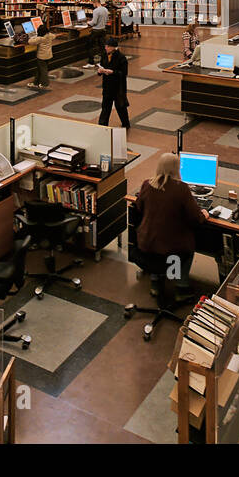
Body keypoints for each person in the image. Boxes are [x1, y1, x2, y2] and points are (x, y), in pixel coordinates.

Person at [133, 152, 207, 300]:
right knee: (189, 245)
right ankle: (181, 287)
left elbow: (139, 208)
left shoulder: (147, 184)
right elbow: (194, 218)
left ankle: (155, 283)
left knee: (157, 244)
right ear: (176, 168)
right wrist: (204, 214)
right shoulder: (182, 188)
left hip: (146, 245)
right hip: (172, 249)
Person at [96, 36, 130, 128]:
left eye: (107, 46)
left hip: (118, 87)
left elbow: (124, 73)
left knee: (120, 107)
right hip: (107, 86)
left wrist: (113, 72)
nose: (105, 48)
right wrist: (100, 71)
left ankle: (126, 124)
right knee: (106, 107)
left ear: (113, 47)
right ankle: (102, 125)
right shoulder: (104, 55)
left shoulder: (121, 58)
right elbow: (101, 66)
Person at [27, 23, 54, 89]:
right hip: (49, 55)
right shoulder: (50, 35)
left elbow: (30, 42)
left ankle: (45, 84)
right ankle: (35, 83)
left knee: (43, 70)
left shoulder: (40, 38)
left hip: (41, 57)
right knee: (39, 69)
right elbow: (54, 36)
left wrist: (32, 37)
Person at [86, 1, 110, 65]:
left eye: (93, 4)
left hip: (96, 30)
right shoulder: (105, 9)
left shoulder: (96, 10)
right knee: (102, 46)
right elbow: (107, 19)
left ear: (95, 3)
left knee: (90, 45)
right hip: (103, 30)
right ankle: (103, 62)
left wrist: (88, 22)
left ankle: (91, 62)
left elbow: (94, 22)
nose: (93, 5)